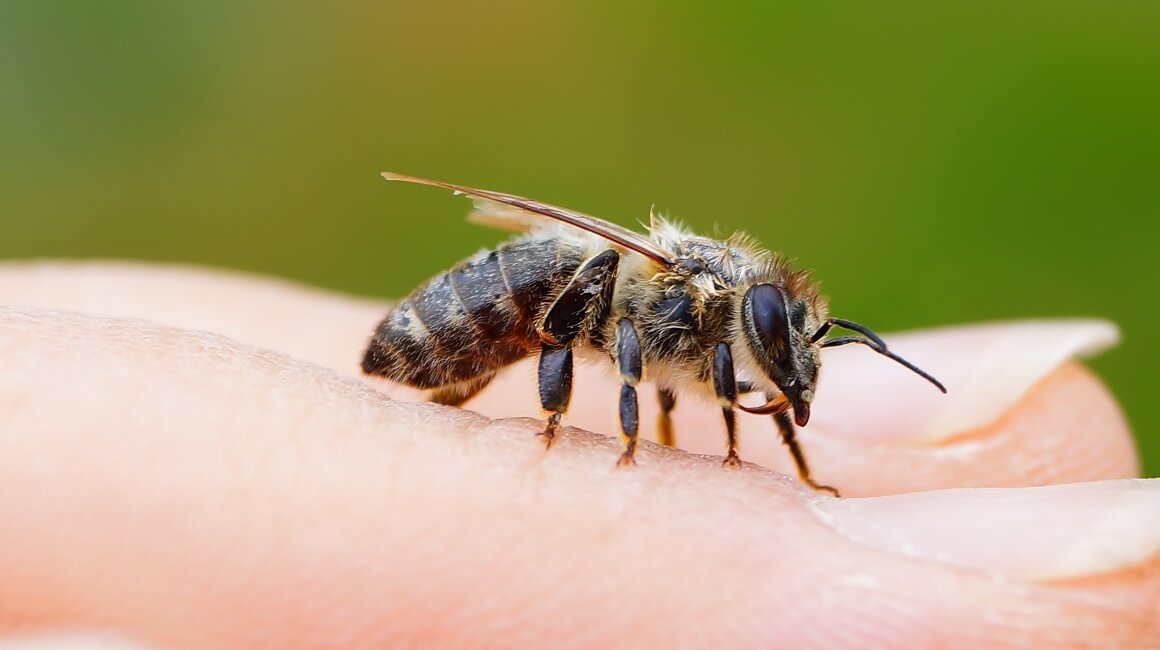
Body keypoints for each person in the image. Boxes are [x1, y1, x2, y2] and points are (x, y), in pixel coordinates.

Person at [0, 262, 1155, 649]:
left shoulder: (707, 334)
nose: (781, 371)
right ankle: (538, 422)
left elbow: (675, 377)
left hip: (522, 318)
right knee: (564, 310)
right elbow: (587, 325)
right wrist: (560, 433)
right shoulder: (673, 296)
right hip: (489, 309)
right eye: (776, 349)